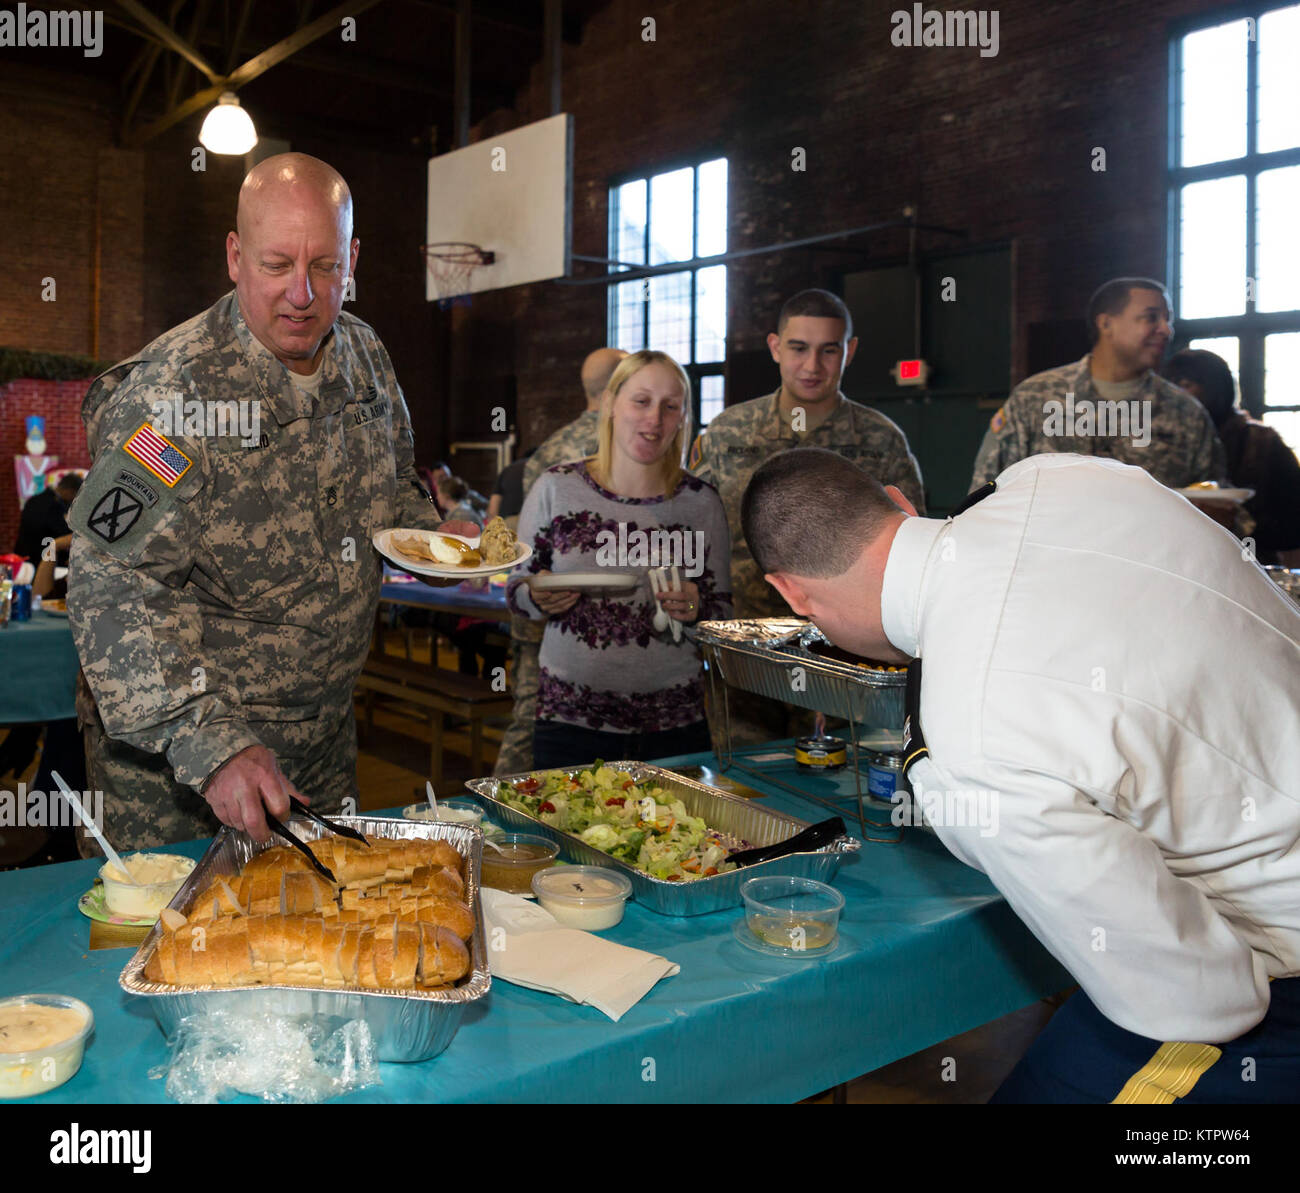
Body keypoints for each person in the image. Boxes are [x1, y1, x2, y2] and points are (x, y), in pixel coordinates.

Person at [743, 447, 1300, 1103]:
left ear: (791, 592)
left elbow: (1197, 996)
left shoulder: (967, 742)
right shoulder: (1062, 472)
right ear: (900, 501)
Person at [67, 153, 454, 853]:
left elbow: (394, 488)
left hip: (323, 747)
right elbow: (113, 582)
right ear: (235, 256)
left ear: (354, 258)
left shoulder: (367, 362)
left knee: (324, 949)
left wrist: (440, 537)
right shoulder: (170, 397)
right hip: (182, 777)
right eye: (277, 264)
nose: (302, 293)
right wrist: (208, 742)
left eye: (325, 266)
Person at [689, 287, 924, 745]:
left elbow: (910, 549)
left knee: (842, 789)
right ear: (776, 347)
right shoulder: (727, 433)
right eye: (798, 348)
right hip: (745, 659)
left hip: (846, 660)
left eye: (828, 350)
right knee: (746, 784)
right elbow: (692, 533)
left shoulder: (881, 441)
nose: (812, 366)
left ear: (849, 351)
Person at [509, 350, 732, 769]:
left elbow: (722, 611)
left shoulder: (701, 503)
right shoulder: (556, 487)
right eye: (641, 401)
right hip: (570, 722)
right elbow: (517, 587)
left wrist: (698, 607)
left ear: (683, 418)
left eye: (671, 407)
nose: (655, 419)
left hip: (675, 725)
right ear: (611, 404)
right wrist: (538, 599)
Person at [494, 346, 626, 777]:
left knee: (528, 721)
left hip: (536, 608)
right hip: (586, 624)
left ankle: (499, 816)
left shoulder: (548, 447)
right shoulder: (621, 446)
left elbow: (527, 546)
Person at [971, 277, 1227, 491]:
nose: (1166, 329)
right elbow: (986, 493)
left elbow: (1214, 501)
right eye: (1151, 318)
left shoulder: (1186, 414)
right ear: (1106, 324)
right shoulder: (1035, 398)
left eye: (1167, 320)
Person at [1165, 348, 1300, 567]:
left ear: (1217, 388)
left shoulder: (1263, 442)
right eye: (1170, 386)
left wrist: (1240, 524)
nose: (1175, 395)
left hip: (1250, 569)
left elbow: (1293, 527)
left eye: (1185, 384)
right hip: (1182, 566)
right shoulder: (1165, 440)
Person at [14, 472, 80, 567]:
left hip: (23, 555)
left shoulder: (34, 499)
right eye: (75, 495)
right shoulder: (54, 505)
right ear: (69, 491)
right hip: (40, 557)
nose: (74, 499)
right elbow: (63, 534)